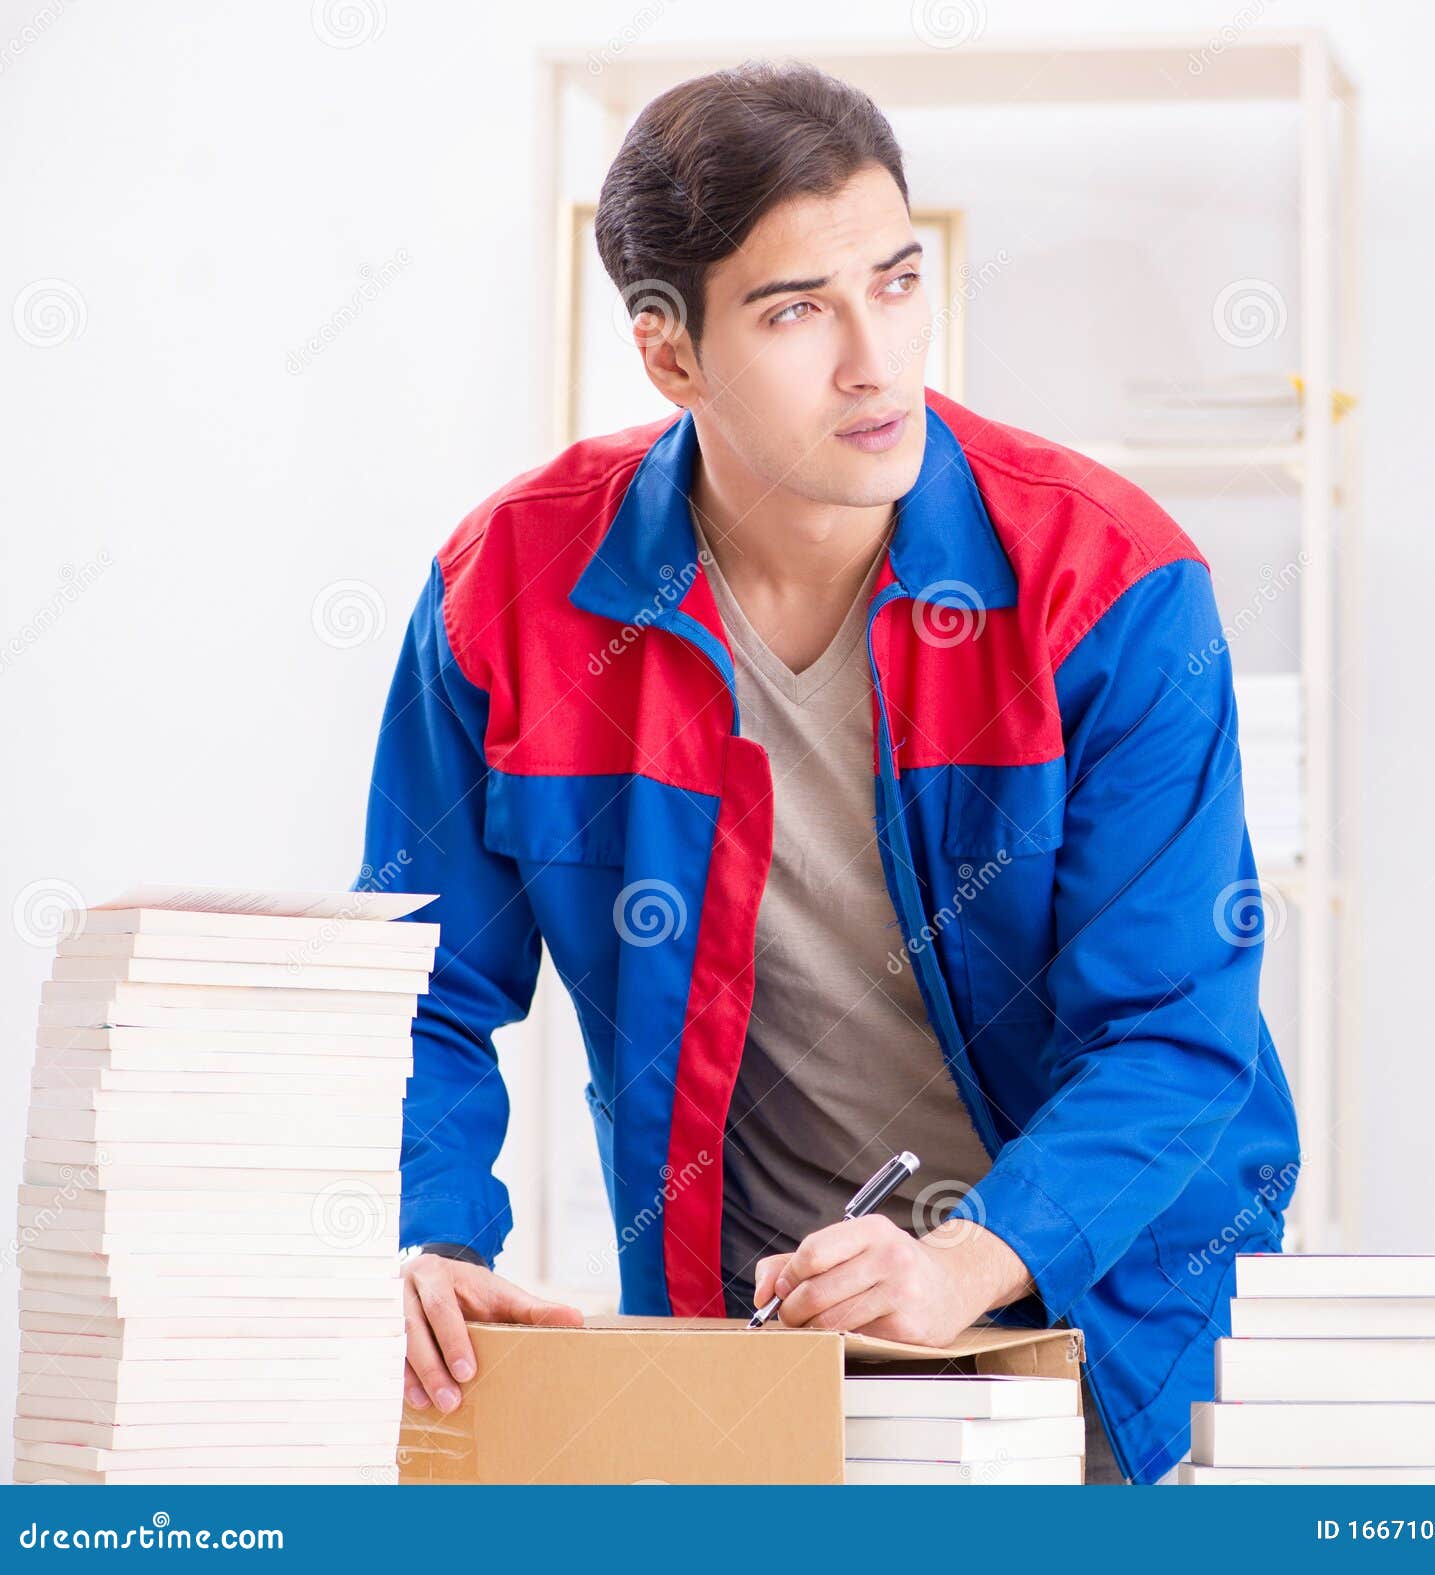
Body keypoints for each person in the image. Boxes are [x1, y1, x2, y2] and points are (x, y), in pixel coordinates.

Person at [355, 59, 1299, 1484]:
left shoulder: (1106, 585)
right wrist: (429, 1242)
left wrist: (975, 1253)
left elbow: (1176, 1032)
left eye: (898, 281)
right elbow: (417, 988)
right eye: (799, 311)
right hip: (745, 1355)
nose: (877, 360)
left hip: (1093, 1327)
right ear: (669, 355)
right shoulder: (513, 597)